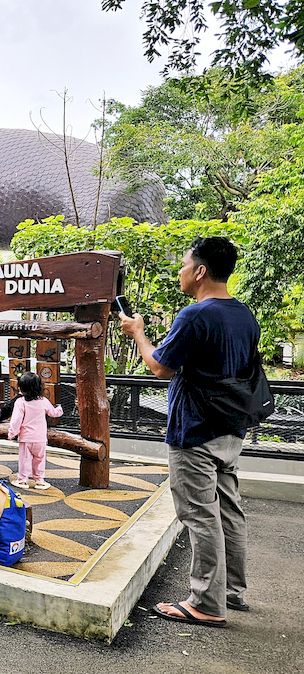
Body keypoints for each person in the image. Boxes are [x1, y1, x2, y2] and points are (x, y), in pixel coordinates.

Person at [119, 236, 256, 629]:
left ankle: (206, 604)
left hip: (195, 431)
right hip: (231, 429)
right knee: (228, 510)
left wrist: (138, 332)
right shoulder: (244, 315)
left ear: (200, 271)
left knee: (199, 515)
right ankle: (231, 591)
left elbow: (160, 367)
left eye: (184, 265)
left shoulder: (195, 315)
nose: (180, 272)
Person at [7, 372, 63, 490]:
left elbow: (16, 421)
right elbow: (53, 413)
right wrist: (59, 409)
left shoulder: (20, 402)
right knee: (40, 459)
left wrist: (12, 433)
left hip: (26, 438)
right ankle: (39, 481)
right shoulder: (43, 401)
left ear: (21, 388)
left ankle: (22, 480)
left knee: (24, 460)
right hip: (40, 438)